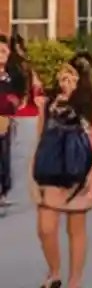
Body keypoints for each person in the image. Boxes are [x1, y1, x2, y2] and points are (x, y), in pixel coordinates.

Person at [31, 58, 92, 288]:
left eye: (70, 76)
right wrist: (33, 179)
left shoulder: (89, 107)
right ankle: (54, 272)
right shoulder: (48, 105)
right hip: (50, 172)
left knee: (76, 229)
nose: (65, 81)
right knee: (45, 228)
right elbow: (39, 140)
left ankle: (74, 281)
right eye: (62, 76)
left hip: (78, 174)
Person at [0, 35, 26, 213]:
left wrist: (15, 103)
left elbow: (20, 95)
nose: (2, 53)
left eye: (4, 50)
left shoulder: (14, 75)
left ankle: (3, 192)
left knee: (4, 157)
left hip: (5, 120)